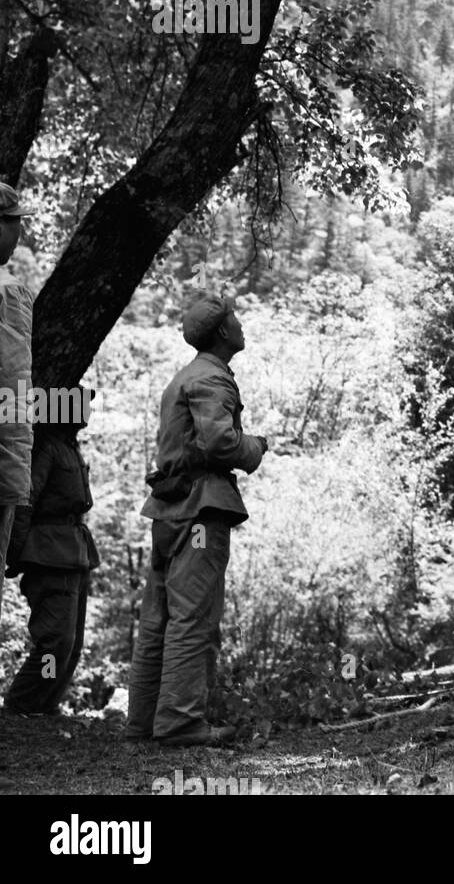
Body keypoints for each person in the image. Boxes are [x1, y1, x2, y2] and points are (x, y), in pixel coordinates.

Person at [126, 295, 269, 747]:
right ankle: (181, 723)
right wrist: (256, 447)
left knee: (159, 618)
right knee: (194, 616)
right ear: (223, 331)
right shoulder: (211, 378)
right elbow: (221, 444)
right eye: (235, 317)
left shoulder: (186, 376)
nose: (241, 323)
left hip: (171, 509)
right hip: (200, 509)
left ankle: (144, 723)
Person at [4, 388, 98, 716]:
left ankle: (44, 707)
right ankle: (22, 706)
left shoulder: (70, 448)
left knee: (70, 645)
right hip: (48, 556)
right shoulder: (46, 449)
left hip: (74, 554)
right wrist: (13, 553)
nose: (88, 409)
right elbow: (24, 500)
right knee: (55, 644)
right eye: (80, 403)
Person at [0, 183, 32, 629]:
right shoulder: (8, 295)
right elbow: (11, 391)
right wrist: (14, 486)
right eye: (14, 223)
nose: (21, 233)